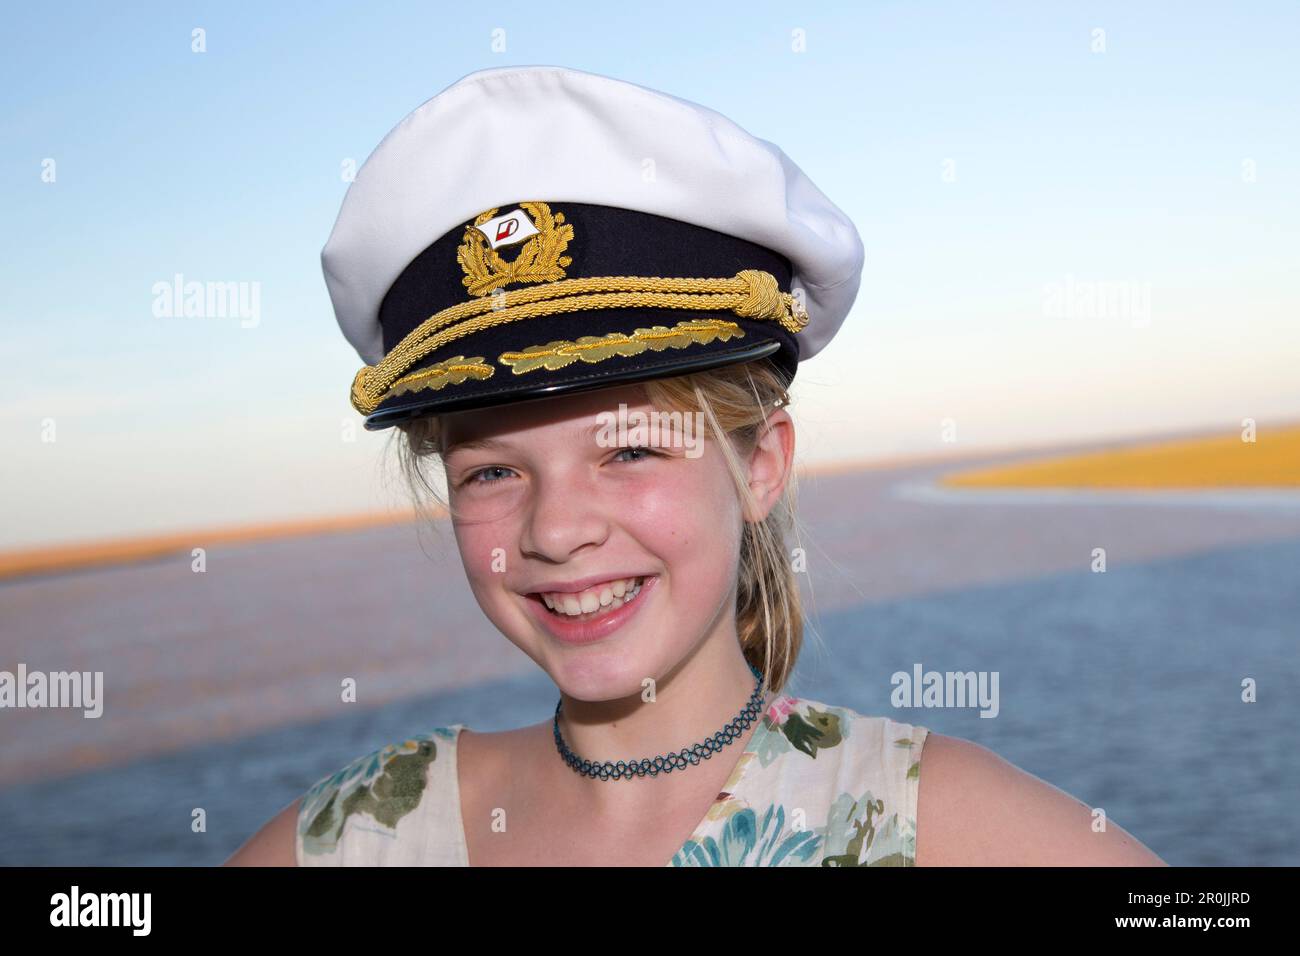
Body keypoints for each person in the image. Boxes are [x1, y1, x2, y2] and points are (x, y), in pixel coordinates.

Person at [225, 65, 1166, 867]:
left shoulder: (949, 832)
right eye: (491, 472)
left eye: (630, 448)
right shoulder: (363, 833)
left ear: (762, 467)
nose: (556, 530)